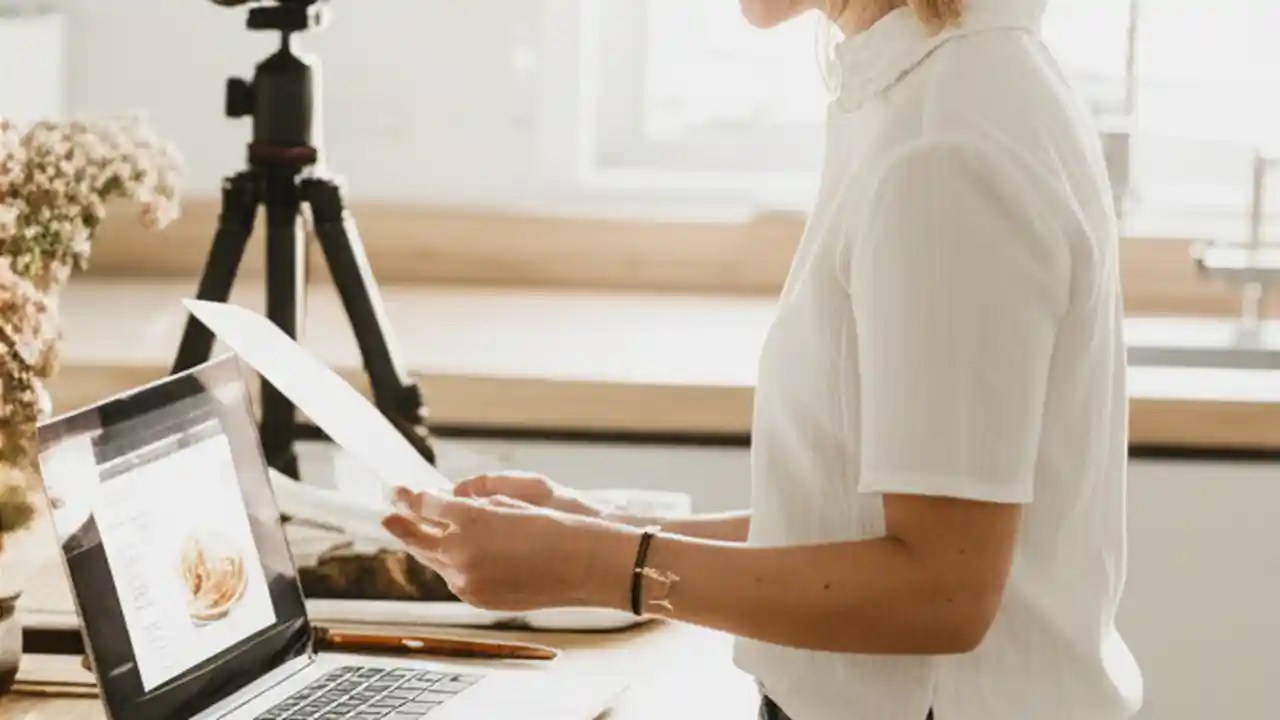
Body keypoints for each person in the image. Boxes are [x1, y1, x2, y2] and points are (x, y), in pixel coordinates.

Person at [381, 0, 1144, 718]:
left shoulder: (945, 146)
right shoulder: (940, 91)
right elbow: (860, 523)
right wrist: (599, 526)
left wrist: (595, 566)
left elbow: (938, 590)